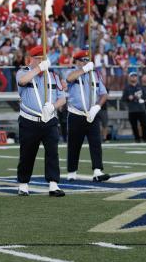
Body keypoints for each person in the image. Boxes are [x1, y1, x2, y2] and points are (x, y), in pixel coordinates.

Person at [15, 45, 66, 197]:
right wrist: (38, 69)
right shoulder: (23, 72)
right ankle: (23, 184)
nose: (41, 62)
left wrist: (53, 106)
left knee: (52, 152)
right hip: (29, 120)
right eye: (38, 59)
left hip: (49, 119)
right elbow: (23, 81)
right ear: (31, 59)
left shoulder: (53, 76)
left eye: (43, 59)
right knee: (27, 153)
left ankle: (53, 184)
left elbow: (62, 98)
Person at [65, 50, 110, 182]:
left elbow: (104, 93)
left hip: (91, 113)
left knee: (96, 142)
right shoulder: (72, 72)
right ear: (78, 61)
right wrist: (84, 69)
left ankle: (97, 170)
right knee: (74, 144)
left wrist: (97, 107)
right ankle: (72, 171)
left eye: (87, 60)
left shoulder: (95, 75)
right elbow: (69, 79)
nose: (86, 62)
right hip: (76, 114)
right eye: (83, 60)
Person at [122, 72, 146, 142]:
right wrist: (128, 98)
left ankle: (145, 138)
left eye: (135, 76)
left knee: (144, 125)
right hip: (132, 109)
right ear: (129, 78)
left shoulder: (141, 87)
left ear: (137, 78)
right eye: (132, 76)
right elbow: (123, 99)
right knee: (134, 126)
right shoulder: (127, 88)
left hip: (141, 109)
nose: (134, 77)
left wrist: (139, 96)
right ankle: (137, 139)